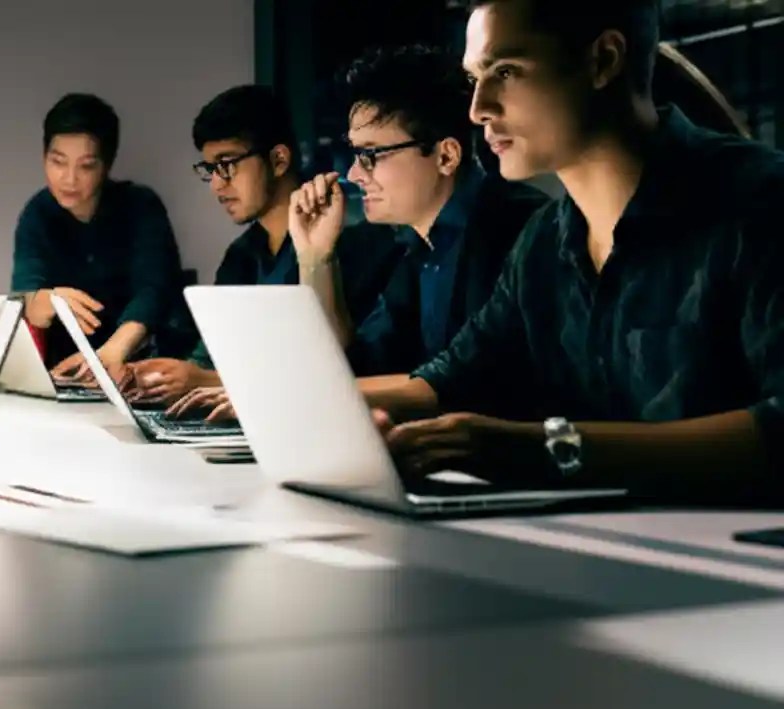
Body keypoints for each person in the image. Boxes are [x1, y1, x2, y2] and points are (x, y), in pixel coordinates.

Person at [357, 0, 784, 501]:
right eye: (476, 77)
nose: (478, 109)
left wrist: (553, 448)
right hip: (602, 549)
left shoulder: (759, 202)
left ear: (603, 61)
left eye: (506, 71)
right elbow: (451, 379)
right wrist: (289, 399)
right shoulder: (542, 244)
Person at [171, 46, 549, 421]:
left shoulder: (514, 229)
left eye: (370, 155)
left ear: (446, 156)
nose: (353, 174)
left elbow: (467, 384)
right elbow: (353, 363)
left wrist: (278, 395)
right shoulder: (418, 245)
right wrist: (316, 257)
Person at [124, 84, 403, 407]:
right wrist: (164, 375)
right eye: (210, 169)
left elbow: (338, 365)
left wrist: (205, 380)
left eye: (227, 164)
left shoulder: (352, 241)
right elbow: (212, 355)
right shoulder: (242, 254)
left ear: (279, 160)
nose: (217, 184)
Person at [11, 92, 184, 383]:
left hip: (142, 368)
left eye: (86, 165)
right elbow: (25, 298)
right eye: (58, 162)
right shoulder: (37, 213)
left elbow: (153, 291)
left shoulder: (140, 206)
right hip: (67, 373)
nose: (69, 178)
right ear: (44, 157)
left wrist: (112, 352)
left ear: (106, 165)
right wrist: (45, 301)